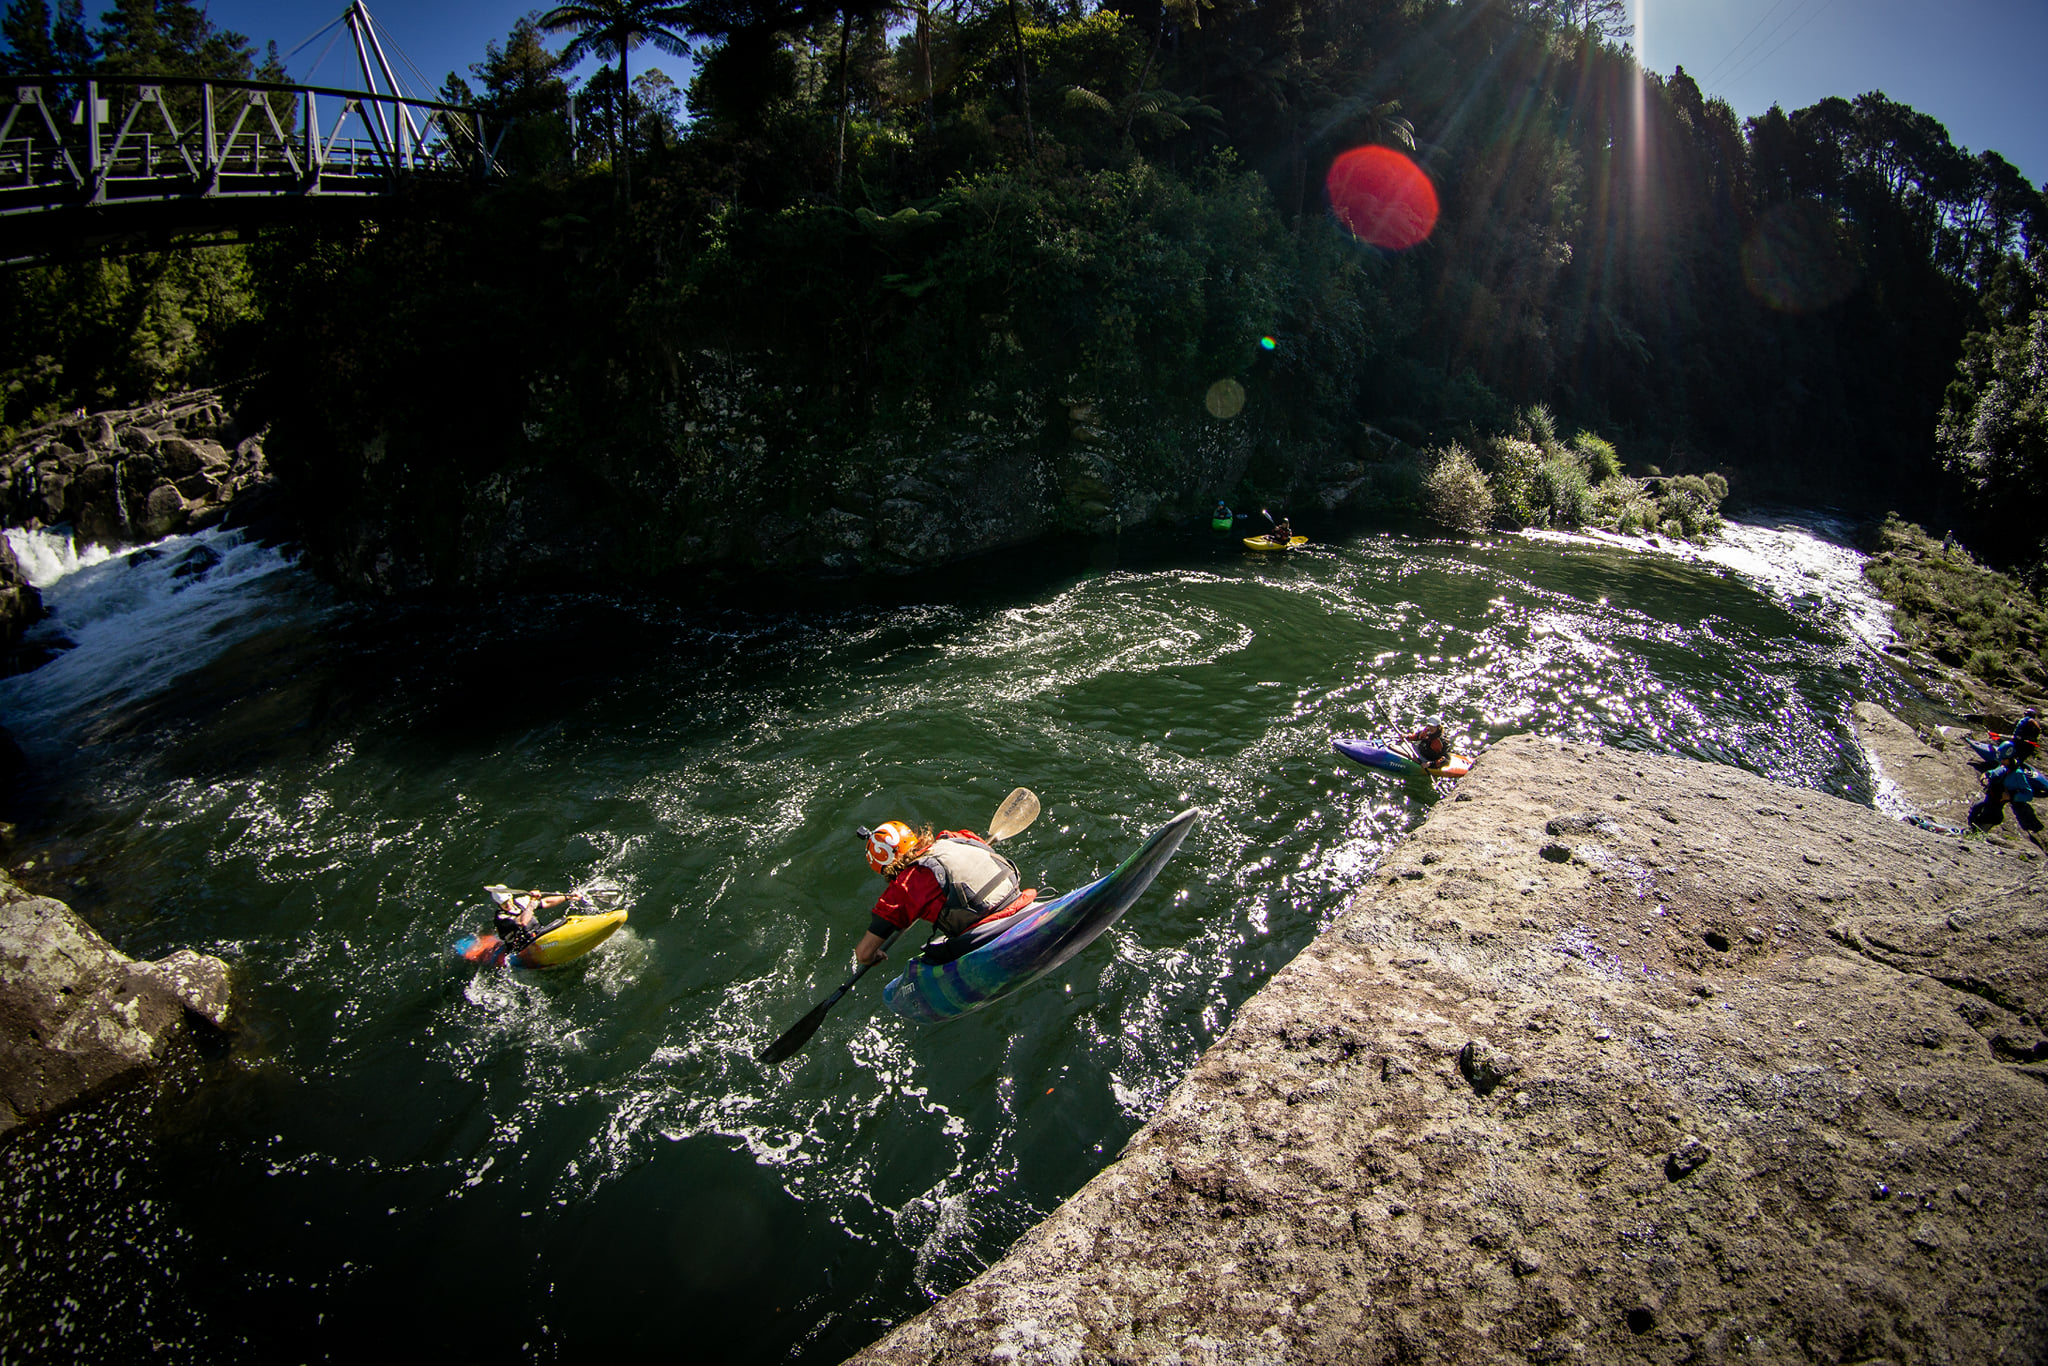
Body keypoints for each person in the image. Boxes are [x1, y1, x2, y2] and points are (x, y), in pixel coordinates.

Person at [852, 820, 1034, 966]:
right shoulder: (956, 838)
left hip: (985, 931)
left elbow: (863, 954)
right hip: (1021, 901)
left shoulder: (906, 885)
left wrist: (873, 956)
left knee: (924, 960)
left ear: (885, 869)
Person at [486, 884, 576, 949]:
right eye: (504, 903)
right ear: (498, 904)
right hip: (522, 947)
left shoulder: (521, 902)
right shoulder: (501, 918)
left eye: (508, 900)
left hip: (538, 933)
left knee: (561, 921)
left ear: (511, 897)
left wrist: (567, 897)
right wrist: (532, 901)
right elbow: (522, 922)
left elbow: (546, 902)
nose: (508, 904)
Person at [1969, 759, 2043, 834]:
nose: (2001, 759)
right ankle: (1970, 830)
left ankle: (1976, 834)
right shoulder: (2002, 767)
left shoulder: (2017, 774)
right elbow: (1994, 772)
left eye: (2004, 758)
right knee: (1976, 807)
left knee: (1986, 819)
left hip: (1995, 809)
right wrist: (1986, 775)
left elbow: (2028, 795)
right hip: (1988, 800)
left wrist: (2011, 796)